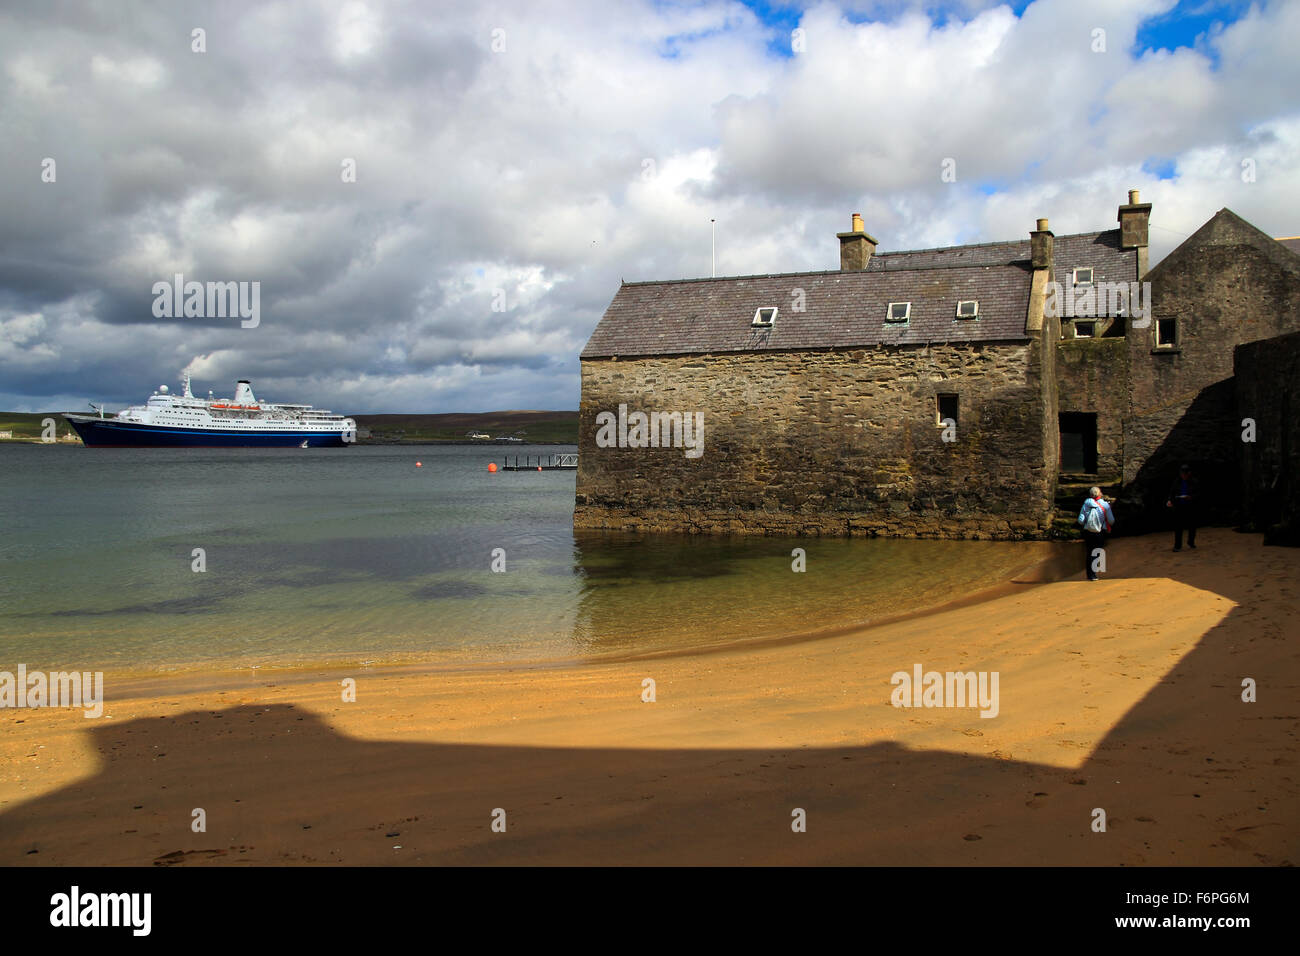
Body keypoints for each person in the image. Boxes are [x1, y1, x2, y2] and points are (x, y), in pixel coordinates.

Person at [1078, 486, 1115, 581]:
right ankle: (1095, 572)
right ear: (1099, 494)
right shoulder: (1105, 505)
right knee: (1097, 551)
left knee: (1089, 552)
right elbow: (1111, 520)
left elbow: (1080, 521)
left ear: (1090, 495)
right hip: (1100, 532)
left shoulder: (1086, 504)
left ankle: (1090, 575)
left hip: (1088, 531)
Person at [1166, 463, 1200, 551]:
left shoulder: (1194, 482)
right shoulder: (1177, 481)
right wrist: (1170, 500)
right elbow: (1172, 492)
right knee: (1178, 527)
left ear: (1189, 473)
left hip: (1190, 506)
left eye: (1184, 474)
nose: (1183, 475)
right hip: (1179, 506)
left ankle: (1191, 541)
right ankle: (1177, 546)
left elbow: (1198, 494)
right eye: (1182, 474)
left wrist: (1190, 497)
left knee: (1192, 526)